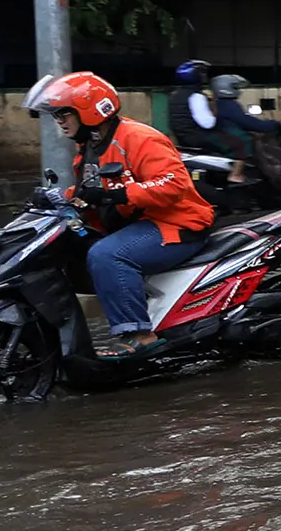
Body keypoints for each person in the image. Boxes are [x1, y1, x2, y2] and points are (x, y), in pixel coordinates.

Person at [29, 71, 214, 357]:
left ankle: (139, 335)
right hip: (139, 224)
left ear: (89, 111)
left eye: (64, 113)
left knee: (108, 255)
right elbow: (90, 189)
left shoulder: (139, 138)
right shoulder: (90, 146)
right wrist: (58, 199)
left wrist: (120, 193)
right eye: (55, 115)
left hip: (175, 224)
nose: (59, 121)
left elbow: (173, 183)